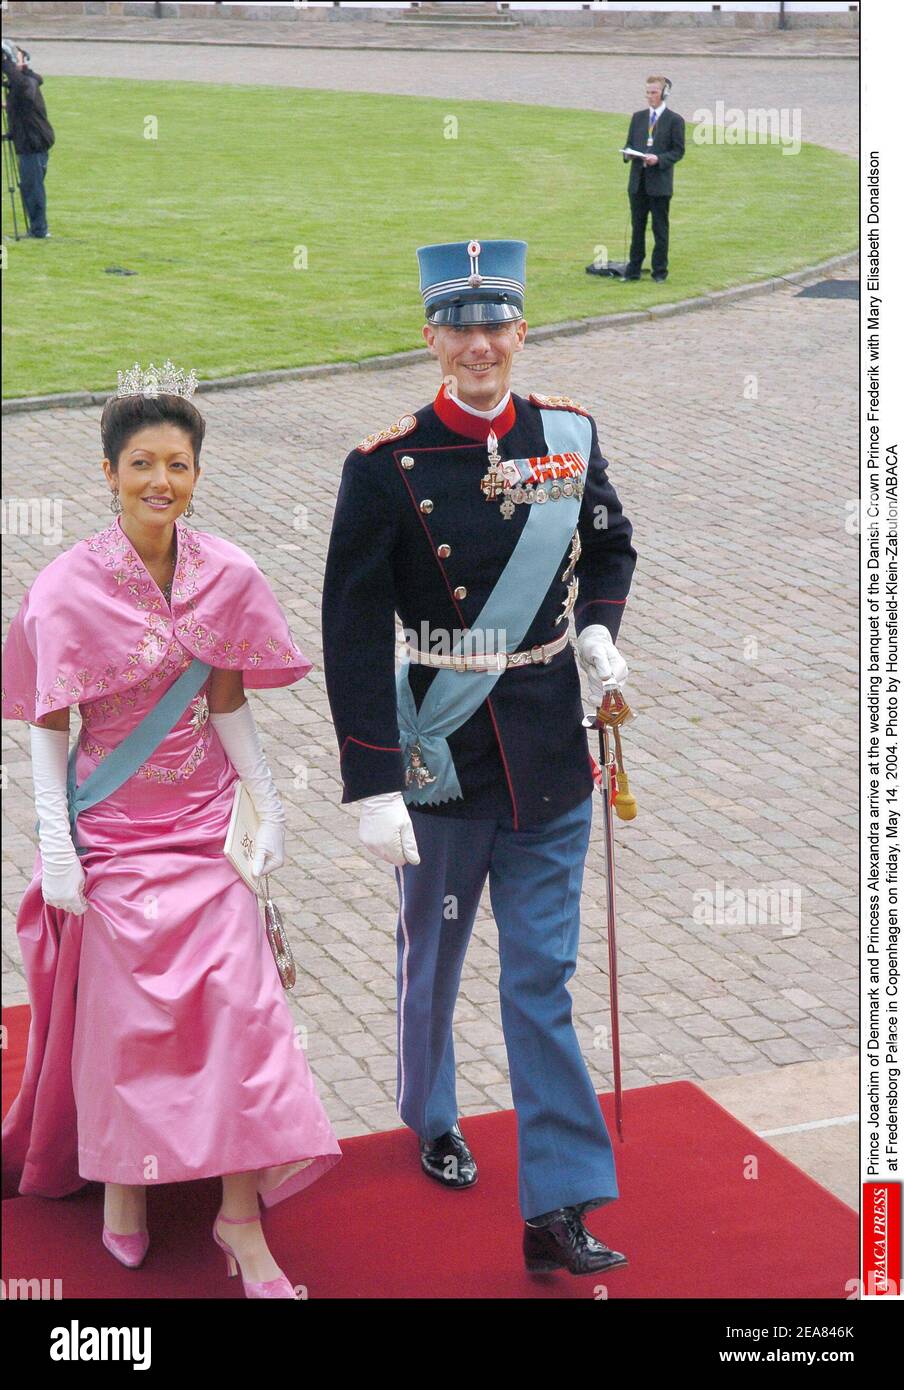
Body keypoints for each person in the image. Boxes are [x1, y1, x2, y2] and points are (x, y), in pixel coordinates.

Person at [321, 239, 637, 1276]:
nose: (478, 344)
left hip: (549, 747)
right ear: (430, 338)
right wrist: (371, 781)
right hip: (442, 758)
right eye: (457, 327)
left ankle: (557, 1207)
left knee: (540, 975)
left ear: (521, 329)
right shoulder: (383, 466)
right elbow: (352, 628)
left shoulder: (570, 433)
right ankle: (430, 1110)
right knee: (435, 959)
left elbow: (610, 540)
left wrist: (595, 629)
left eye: (495, 324)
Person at [1, 362, 341, 1299]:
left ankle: (240, 1216)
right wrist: (57, 844)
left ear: (197, 474)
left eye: (179, 465)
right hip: (109, 833)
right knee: (126, 1023)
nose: (161, 481)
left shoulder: (228, 572)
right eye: (142, 463)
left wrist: (265, 802)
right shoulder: (66, 587)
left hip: (201, 828)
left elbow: (228, 702)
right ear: (108, 472)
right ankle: (124, 1189)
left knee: (243, 1008)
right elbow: (47, 724)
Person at [621, 75, 685, 283]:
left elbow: (678, 151)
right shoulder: (638, 117)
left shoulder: (675, 120)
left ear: (664, 93)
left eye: (654, 92)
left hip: (659, 184)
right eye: (648, 93)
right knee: (637, 228)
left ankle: (660, 272)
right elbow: (629, 143)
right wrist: (628, 154)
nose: (650, 97)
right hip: (638, 183)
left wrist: (659, 159)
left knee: (660, 229)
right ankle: (633, 270)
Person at [1, 40, 55, 240]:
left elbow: (22, 89)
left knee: (33, 188)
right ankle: (37, 229)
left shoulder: (27, 83)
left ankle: (39, 230)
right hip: (28, 143)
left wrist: (6, 63)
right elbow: (18, 107)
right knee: (30, 187)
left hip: (33, 145)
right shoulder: (20, 85)